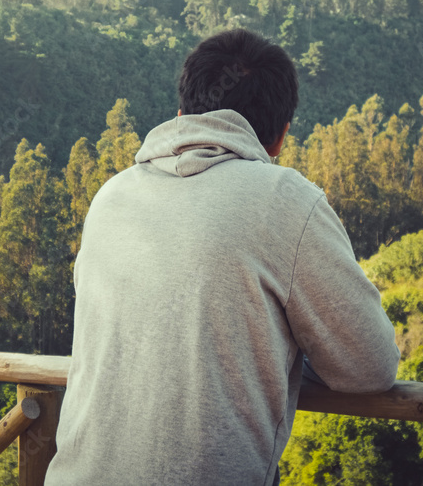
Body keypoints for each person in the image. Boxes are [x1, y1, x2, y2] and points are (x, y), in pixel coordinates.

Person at [44, 28, 400, 485]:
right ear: (279, 138)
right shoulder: (286, 200)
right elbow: (370, 367)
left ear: (181, 116)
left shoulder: (110, 196)